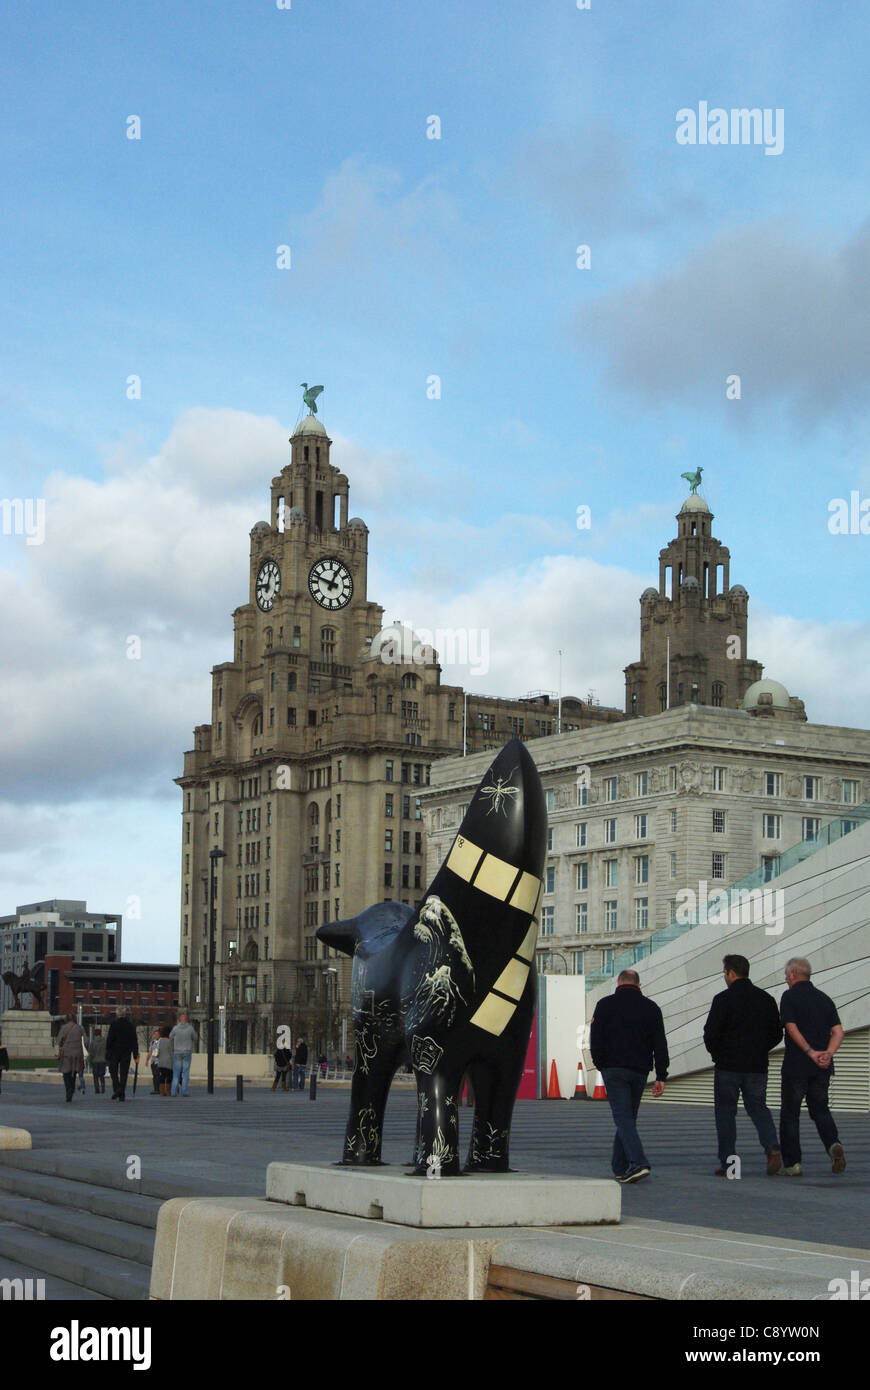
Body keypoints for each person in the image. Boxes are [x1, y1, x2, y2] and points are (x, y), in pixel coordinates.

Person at [703, 954, 783, 1176]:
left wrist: (717, 1054)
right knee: (758, 1108)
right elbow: (777, 1033)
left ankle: (729, 1164)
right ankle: (772, 1147)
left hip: (727, 1066)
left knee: (726, 1113)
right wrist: (759, 1049)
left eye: (724, 973)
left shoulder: (722, 999)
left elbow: (710, 1033)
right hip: (756, 1065)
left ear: (730, 972)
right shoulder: (765, 999)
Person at [589, 968, 669, 1184]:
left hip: (613, 1069)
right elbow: (660, 1043)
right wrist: (661, 1074)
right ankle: (619, 1166)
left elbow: (595, 1039)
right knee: (628, 1118)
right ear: (639, 985)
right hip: (639, 1070)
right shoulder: (651, 1008)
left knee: (623, 1117)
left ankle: (638, 1162)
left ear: (618, 984)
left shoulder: (605, 1005)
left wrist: (600, 1064)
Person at [777, 957, 846, 1177]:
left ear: (793, 974)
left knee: (790, 1114)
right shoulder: (824, 999)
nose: (785, 978)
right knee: (820, 1109)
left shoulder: (789, 997)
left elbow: (791, 1027)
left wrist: (810, 1052)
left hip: (797, 1065)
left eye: (786, 975)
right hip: (822, 1068)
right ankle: (833, 1144)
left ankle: (793, 1164)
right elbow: (838, 1032)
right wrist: (827, 1054)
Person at [105, 1006, 140, 1102]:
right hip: (126, 1052)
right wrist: (135, 1054)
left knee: (114, 1072)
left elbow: (110, 1039)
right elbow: (134, 1040)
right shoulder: (130, 1025)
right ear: (125, 1014)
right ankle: (122, 1093)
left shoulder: (114, 1024)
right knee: (124, 1073)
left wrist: (107, 1051)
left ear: (117, 1014)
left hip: (114, 1052)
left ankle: (117, 1088)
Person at [57, 1013, 86, 1103]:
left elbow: (59, 1040)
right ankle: (72, 1088)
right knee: (73, 1072)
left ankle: (68, 1089)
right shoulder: (79, 1028)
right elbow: (86, 1040)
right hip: (77, 1053)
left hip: (66, 1053)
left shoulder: (64, 1028)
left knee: (66, 1073)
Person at [170, 1011, 197, 1096]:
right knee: (185, 1072)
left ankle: (173, 1092)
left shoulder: (175, 1028)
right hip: (187, 1052)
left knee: (176, 1073)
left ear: (179, 1020)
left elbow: (170, 1037)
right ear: (186, 1020)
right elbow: (195, 1038)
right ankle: (184, 1091)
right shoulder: (190, 1028)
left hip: (177, 1052)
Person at [156, 1026, 174, 1096]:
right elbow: (171, 1052)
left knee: (162, 1077)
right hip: (168, 1061)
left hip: (161, 1061)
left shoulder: (160, 1040)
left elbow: (158, 1051)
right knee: (169, 1077)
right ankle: (168, 1091)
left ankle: (162, 1092)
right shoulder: (170, 1041)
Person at [89, 1028, 107, 1094]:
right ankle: (102, 1085)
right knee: (102, 1075)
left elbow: (91, 1053)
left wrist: (90, 1061)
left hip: (95, 1061)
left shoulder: (93, 1042)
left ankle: (97, 1088)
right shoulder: (104, 1042)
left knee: (95, 1076)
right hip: (103, 1060)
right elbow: (106, 1051)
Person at [148, 1028, 161, 1094]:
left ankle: (158, 1089)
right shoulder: (152, 1042)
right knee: (154, 1076)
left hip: (158, 1061)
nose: (156, 1035)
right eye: (155, 1034)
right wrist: (147, 1060)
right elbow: (150, 1052)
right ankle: (156, 1089)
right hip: (153, 1061)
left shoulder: (161, 1042)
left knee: (157, 1075)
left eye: (157, 1034)